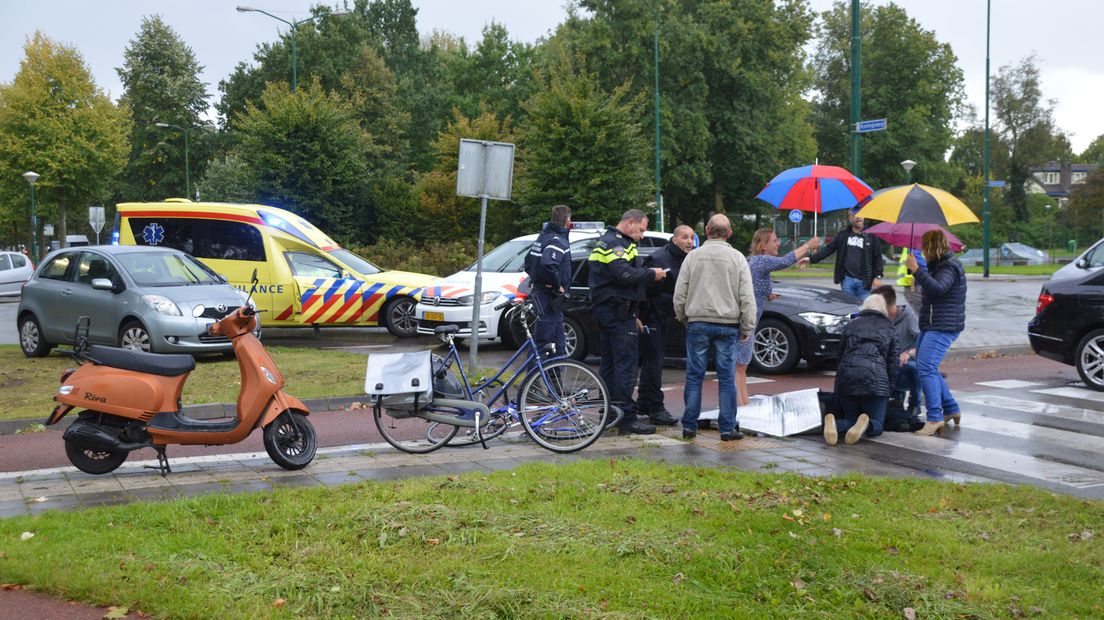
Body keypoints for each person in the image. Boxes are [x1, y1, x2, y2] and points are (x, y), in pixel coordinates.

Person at [673, 214, 756, 441]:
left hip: (698, 322)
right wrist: (747, 326)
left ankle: (689, 425)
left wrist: (684, 317)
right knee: (727, 377)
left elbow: (680, 293)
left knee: (694, 375)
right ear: (729, 233)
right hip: (728, 324)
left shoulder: (693, 257)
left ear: (706, 231)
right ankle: (727, 428)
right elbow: (747, 297)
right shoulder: (738, 258)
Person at [588, 209, 667, 435]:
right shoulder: (614, 244)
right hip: (616, 313)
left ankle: (610, 414)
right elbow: (623, 274)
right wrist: (652, 274)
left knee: (611, 365)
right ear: (630, 222)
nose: (642, 235)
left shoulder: (620, 242)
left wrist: (635, 314)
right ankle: (625, 418)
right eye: (641, 229)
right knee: (624, 366)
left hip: (618, 312)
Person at [734, 229, 821, 405]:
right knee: (738, 367)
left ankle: (742, 403)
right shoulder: (762, 261)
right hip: (746, 322)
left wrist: (767, 294)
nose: (778, 243)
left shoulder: (755, 261)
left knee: (741, 366)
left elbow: (751, 287)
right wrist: (808, 246)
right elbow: (785, 261)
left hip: (748, 321)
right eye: (774, 241)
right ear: (762, 246)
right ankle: (738, 406)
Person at [906, 229, 966, 436]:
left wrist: (917, 270)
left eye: (925, 247)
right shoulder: (939, 265)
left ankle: (934, 418)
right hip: (934, 323)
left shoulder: (948, 266)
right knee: (926, 364)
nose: (922, 251)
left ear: (932, 247)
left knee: (926, 368)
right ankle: (950, 408)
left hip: (943, 325)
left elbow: (939, 288)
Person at [637, 225, 695, 426]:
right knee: (654, 362)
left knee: (654, 362)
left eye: (692, 238)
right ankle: (655, 407)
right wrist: (642, 317)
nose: (689, 241)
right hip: (654, 316)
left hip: (669, 317)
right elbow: (646, 291)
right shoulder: (659, 259)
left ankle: (644, 403)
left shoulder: (689, 258)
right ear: (674, 239)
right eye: (685, 237)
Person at [822, 293, 898, 446]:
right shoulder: (889, 328)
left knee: (850, 419)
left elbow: (840, 355)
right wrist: (889, 389)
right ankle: (866, 424)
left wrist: (839, 386)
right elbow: (892, 363)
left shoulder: (851, 325)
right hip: (876, 380)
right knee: (877, 424)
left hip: (848, 377)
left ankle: (836, 424)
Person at [524, 205, 573, 357]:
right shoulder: (557, 241)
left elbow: (528, 262)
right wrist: (557, 286)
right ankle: (533, 379)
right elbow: (548, 264)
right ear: (568, 221)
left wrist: (537, 279)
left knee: (559, 342)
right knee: (543, 342)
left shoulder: (543, 237)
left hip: (547, 297)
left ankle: (555, 379)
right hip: (548, 297)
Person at [808, 207, 884, 300]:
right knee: (849, 309)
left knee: (864, 311)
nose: (858, 217)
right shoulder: (843, 235)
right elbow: (829, 249)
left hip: (865, 281)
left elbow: (878, 257)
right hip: (847, 280)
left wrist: (878, 276)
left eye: (860, 214)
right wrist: (811, 259)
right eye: (854, 215)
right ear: (850, 218)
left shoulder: (871, 236)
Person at [871, 284, 920, 415]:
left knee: (912, 368)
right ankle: (890, 402)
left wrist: (909, 353)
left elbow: (923, 345)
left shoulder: (909, 317)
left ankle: (915, 404)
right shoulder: (877, 318)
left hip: (905, 362)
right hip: (887, 363)